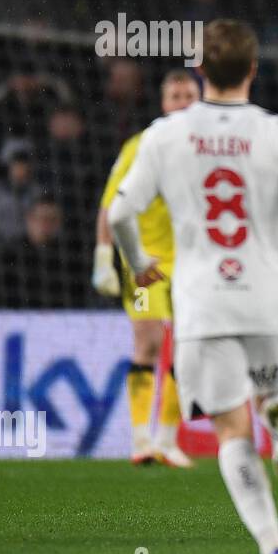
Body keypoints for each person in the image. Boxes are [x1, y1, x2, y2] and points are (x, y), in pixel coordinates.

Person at [107, 20, 278, 554]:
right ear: (253, 69)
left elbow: (119, 214)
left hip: (200, 302)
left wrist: (139, 263)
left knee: (231, 432)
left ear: (200, 70)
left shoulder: (164, 136)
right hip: (266, 293)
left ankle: (273, 549)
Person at [93, 69, 199, 467]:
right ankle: (141, 441)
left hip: (190, 259)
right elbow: (110, 205)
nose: (183, 103)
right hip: (145, 257)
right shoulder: (142, 144)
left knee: (187, 347)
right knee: (148, 342)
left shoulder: (210, 145)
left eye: (189, 94)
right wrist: (104, 257)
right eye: (175, 96)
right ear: (163, 103)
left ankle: (168, 440)